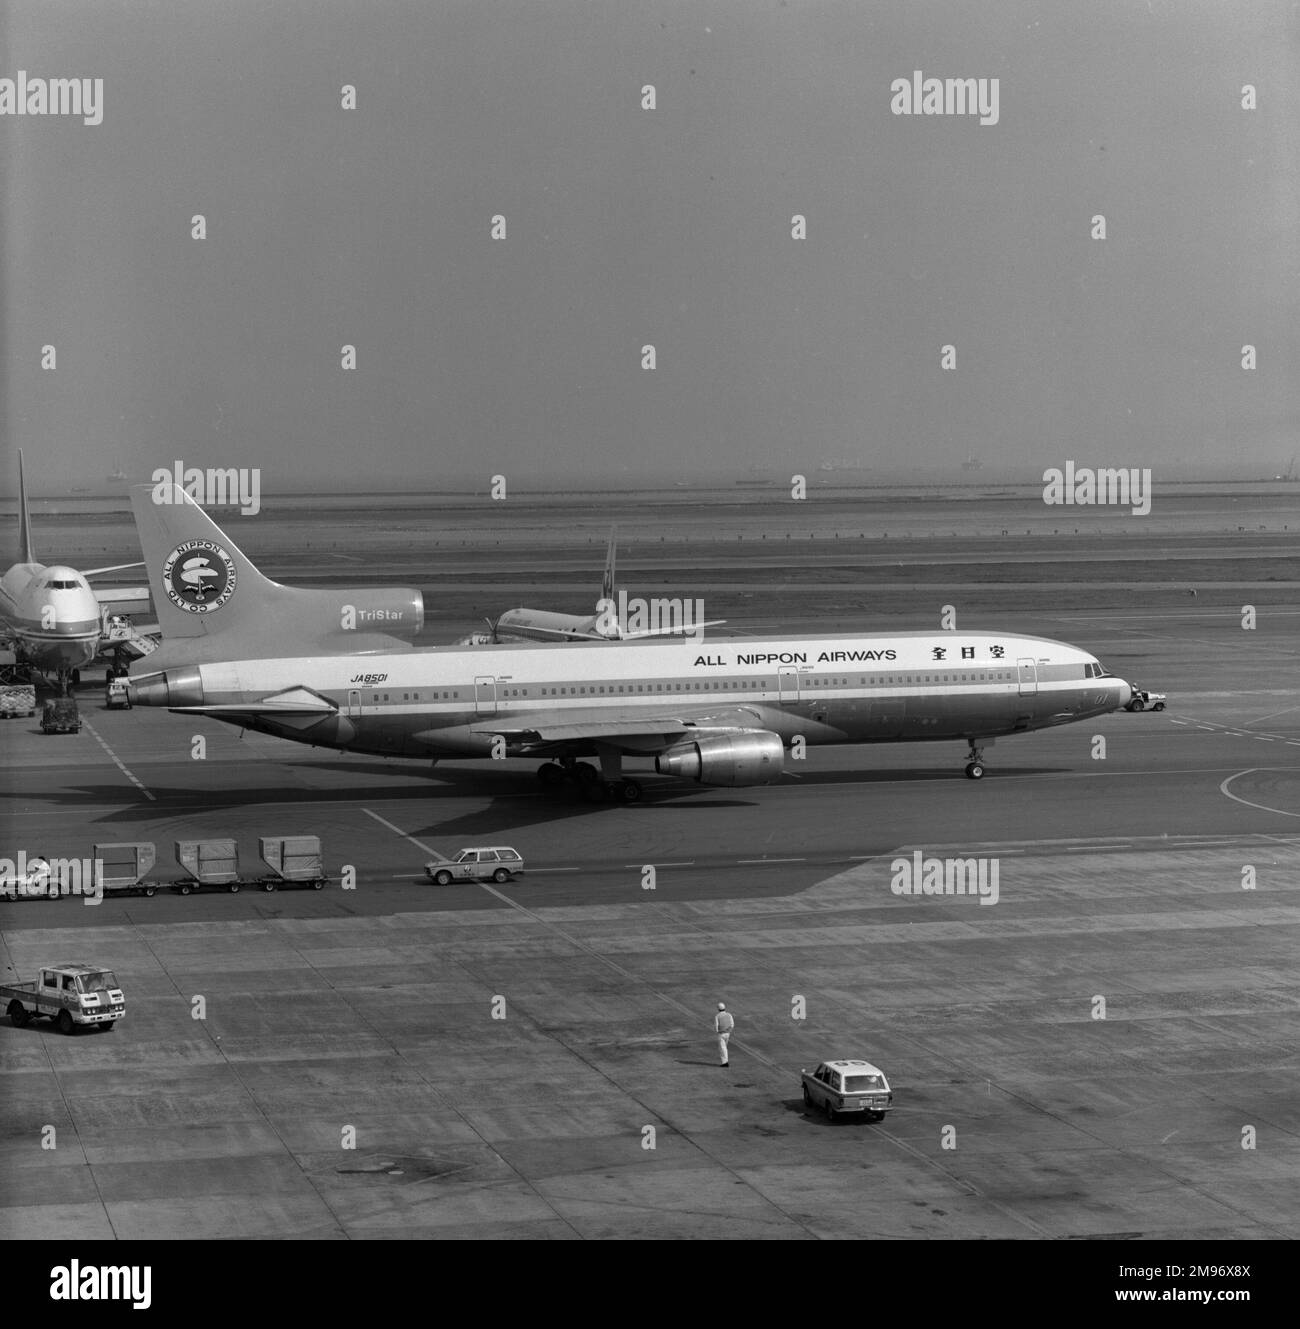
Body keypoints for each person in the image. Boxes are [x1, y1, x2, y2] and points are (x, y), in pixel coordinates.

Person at [714, 1002, 734, 1067]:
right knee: (724, 1048)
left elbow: (716, 1026)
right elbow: (732, 1024)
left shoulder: (717, 1016)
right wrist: (729, 1030)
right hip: (728, 1033)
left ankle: (725, 1063)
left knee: (722, 1048)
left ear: (718, 1009)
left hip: (721, 1034)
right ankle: (725, 1062)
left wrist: (718, 1032)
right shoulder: (729, 1014)